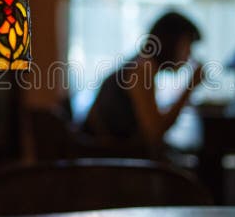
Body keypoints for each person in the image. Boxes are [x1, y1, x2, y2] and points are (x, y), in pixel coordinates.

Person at [83, 11, 203, 159]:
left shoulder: (141, 65)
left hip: (109, 157)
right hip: (104, 161)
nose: (189, 55)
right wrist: (189, 87)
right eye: (188, 45)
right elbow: (155, 133)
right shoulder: (142, 69)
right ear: (172, 42)